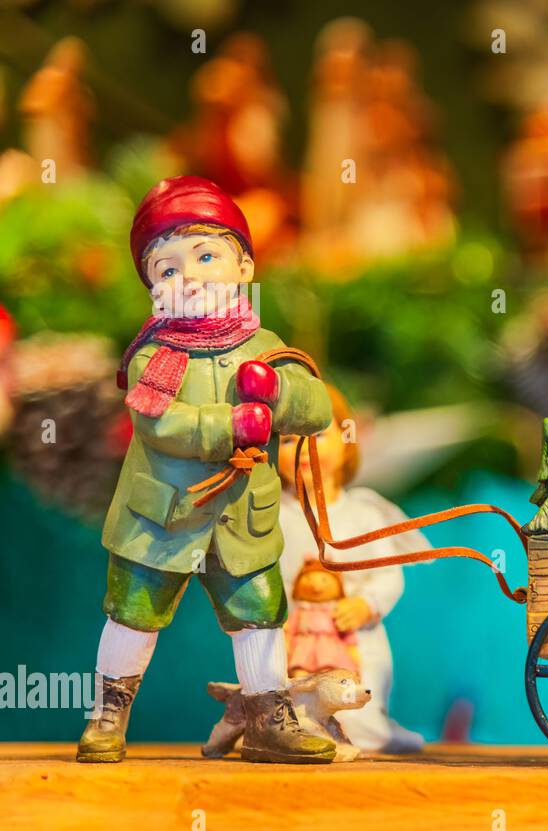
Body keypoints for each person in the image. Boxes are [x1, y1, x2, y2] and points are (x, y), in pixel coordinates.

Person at [80, 175, 336, 763]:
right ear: (153, 290)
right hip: (160, 519)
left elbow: (317, 407)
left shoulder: (265, 344)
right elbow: (159, 424)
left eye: (204, 255)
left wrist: (277, 396)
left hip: (243, 519)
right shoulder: (155, 354)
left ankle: (270, 714)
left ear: (244, 266)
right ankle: (107, 714)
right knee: (132, 616)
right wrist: (231, 425)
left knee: (260, 616)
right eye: (166, 269)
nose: (188, 276)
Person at [277, 384, 426, 753]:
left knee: (354, 709)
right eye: (288, 439)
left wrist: (366, 604)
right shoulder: (270, 517)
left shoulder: (363, 512)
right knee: (288, 704)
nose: (303, 447)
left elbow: (389, 573)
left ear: (346, 442)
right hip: (290, 640)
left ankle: (374, 728)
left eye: (318, 435)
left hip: (353, 640)